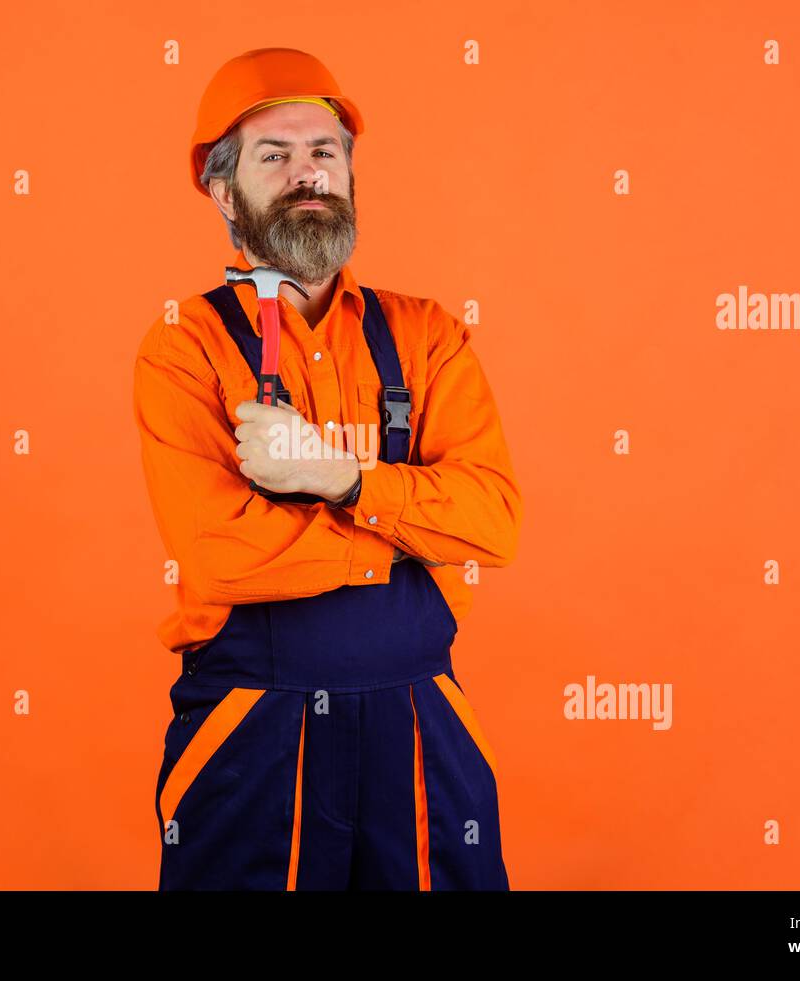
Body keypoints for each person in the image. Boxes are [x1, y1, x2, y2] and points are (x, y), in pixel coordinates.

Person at [132, 47, 523, 890]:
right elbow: (219, 556)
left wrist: (335, 478)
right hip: (250, 727)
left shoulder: (429, 336)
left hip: (420, 718)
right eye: (274, 155)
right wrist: (403, 536)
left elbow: (494, 522)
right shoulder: (184, 348)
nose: (309, 173)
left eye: (325, 150)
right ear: (221, 187)